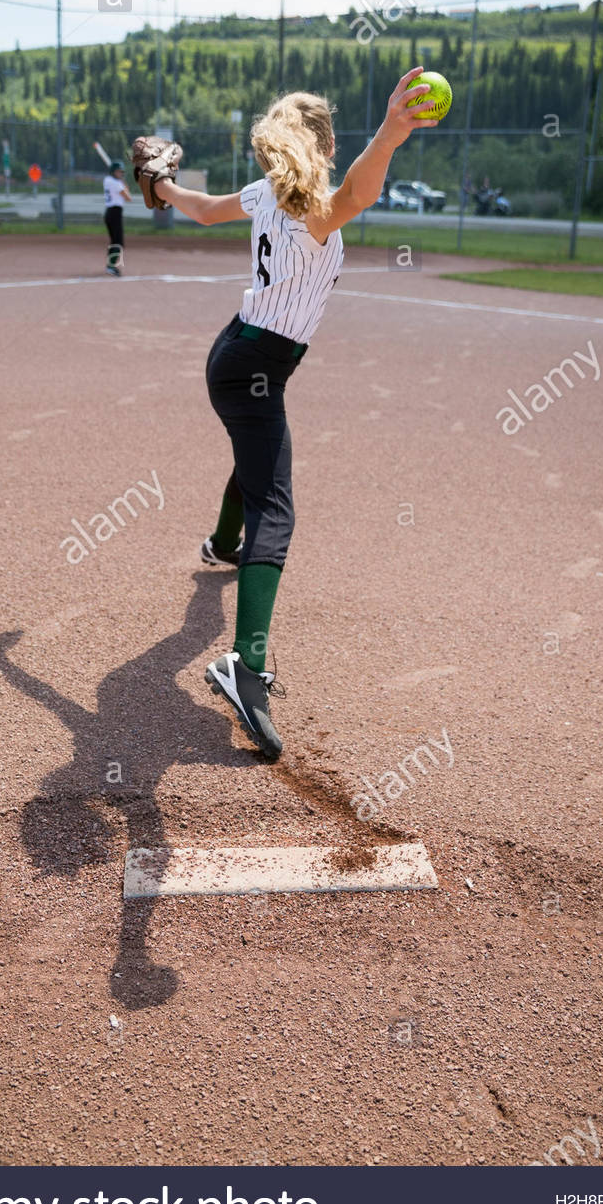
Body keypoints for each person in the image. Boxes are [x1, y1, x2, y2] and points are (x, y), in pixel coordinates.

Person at [155, 67, 437, 760]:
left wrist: (159, 182)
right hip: (255, 366)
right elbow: (362, 191)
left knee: (256, 460)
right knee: (275, 506)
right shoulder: (314, 208)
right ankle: (245, 667)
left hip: (237, 358)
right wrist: (394, 131)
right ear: (329, 141)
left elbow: (193, 208)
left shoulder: (268, 194)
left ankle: (223, 545)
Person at [103, 159, 132, 276]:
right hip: (114, 213)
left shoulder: (108, 180)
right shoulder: (115, 183)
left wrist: (122, 183)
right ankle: (111, 266)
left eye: (122, 172)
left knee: (115, 241)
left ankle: (110, 265)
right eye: (118, 172)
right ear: (113, 172)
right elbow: (128, 197)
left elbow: (126, 194)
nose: (121, 174)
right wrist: (123, 184)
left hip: (110, 213)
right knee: (118, 243)